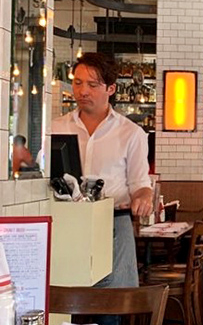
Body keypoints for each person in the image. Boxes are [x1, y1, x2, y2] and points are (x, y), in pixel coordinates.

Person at [52, 53, 153, 288]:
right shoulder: (55, 128)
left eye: (92, 85)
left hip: (114, 224)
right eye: (78, 83)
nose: (83, 91)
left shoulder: (131, 133)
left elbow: (140, 184)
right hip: (65, 224)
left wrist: (144, 197)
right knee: (64, 302)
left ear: (110, 88)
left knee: (111, 305)